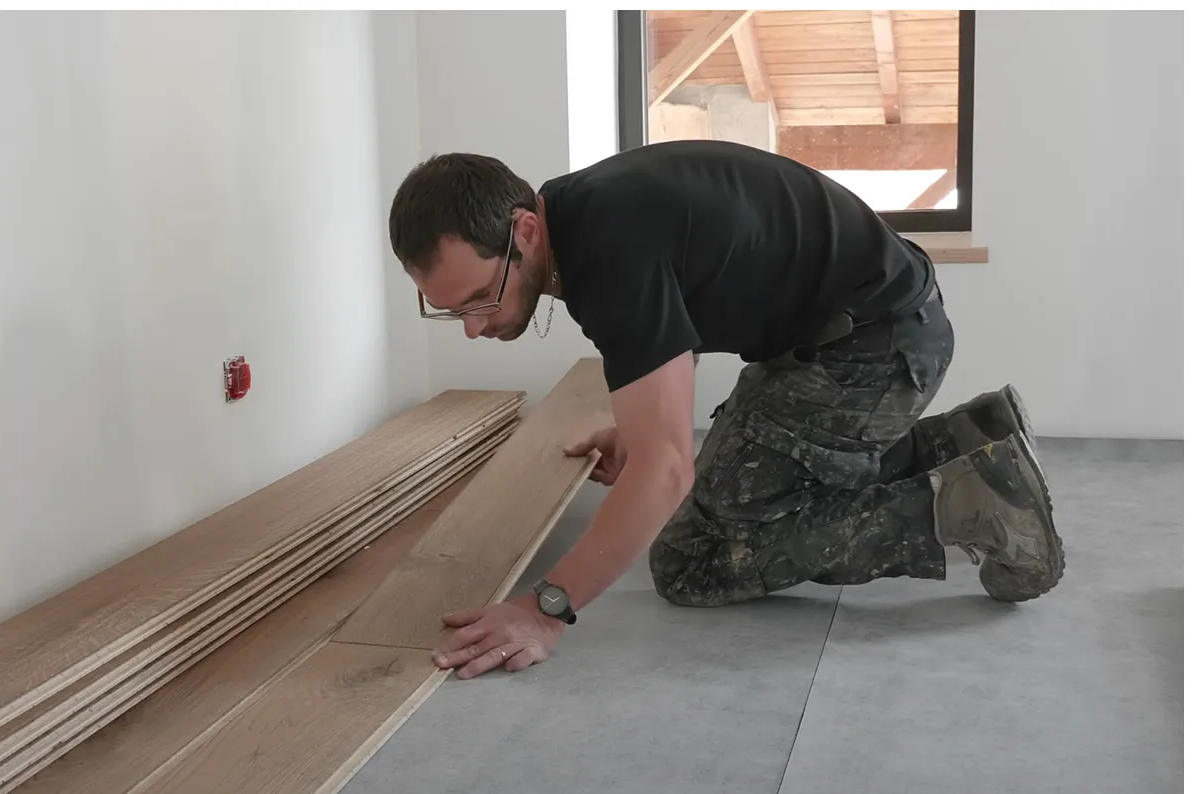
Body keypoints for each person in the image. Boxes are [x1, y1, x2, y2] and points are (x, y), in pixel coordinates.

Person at [386, 139, 1064, 680]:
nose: (474, 327)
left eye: (480, 297)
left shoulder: (605, 253)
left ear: (524, 230)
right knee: (710, 496)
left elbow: (665, 474)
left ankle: (972, 504)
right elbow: (684, 305)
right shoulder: (583, 213)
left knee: (692, 560)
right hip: (854, 326)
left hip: (872, 346)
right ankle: (970, 440)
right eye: (451, 314)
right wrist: (642, 426)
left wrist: (543, 610)